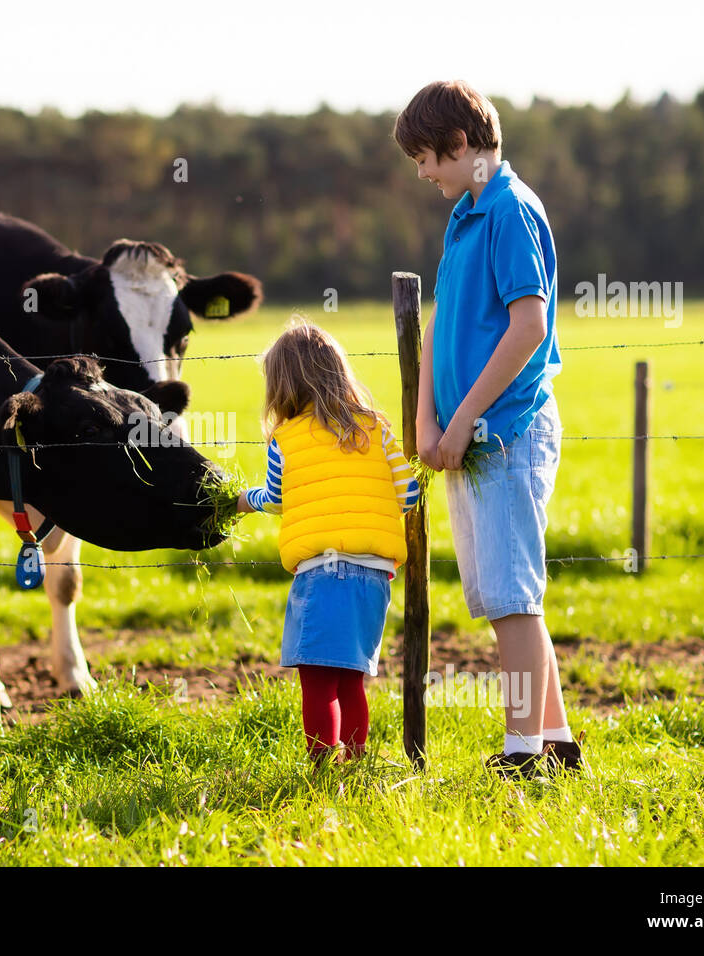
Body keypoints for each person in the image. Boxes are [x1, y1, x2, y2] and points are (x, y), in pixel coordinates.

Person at [393, 79, 583, 776]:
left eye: (427, 158)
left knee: (512, 600)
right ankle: (558, 745)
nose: (423, 173)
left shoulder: (510, 210)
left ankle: (521, 756)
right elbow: (445, 316)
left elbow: (529, 326)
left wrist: (465, 418)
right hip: (466, 436)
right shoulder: (468, 211)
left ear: (462, 144)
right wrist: (426, 417)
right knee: (507, 596)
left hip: (505, 433)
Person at [238, 320, 421, 766]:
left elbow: (277, 499)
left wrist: (244, 500)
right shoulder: (375, 427)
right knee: (351, 678)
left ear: (282, 386)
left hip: (323, 572)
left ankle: (320, 765)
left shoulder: (287, 438)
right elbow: (410, 493)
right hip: (375, 575)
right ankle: (355, 759)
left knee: (316, 680)